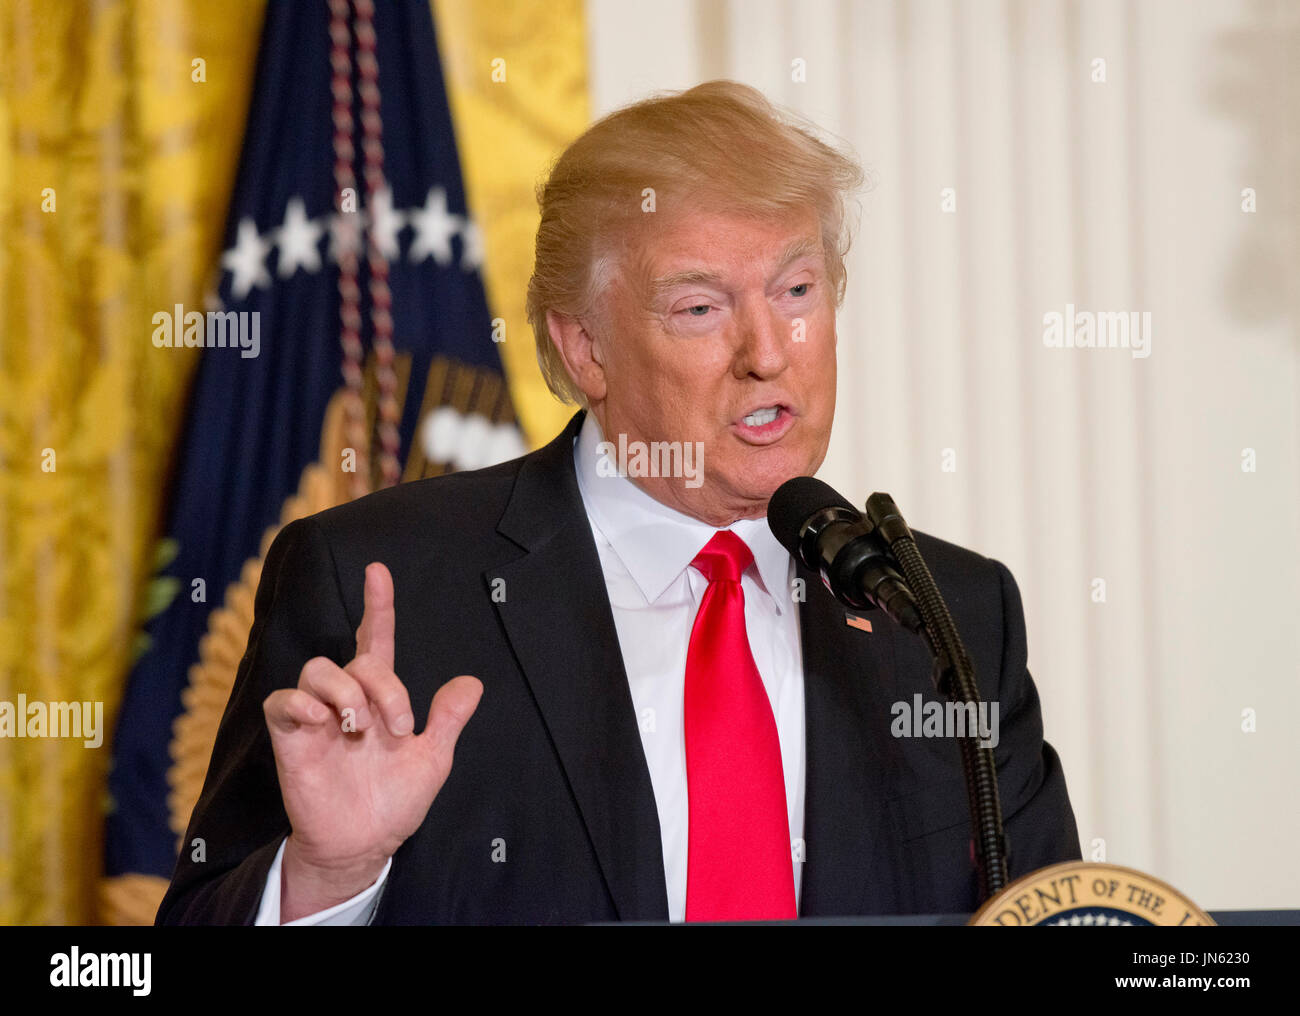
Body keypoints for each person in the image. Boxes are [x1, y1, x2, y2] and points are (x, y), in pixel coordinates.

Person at [156, 80, 1080, 926]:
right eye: (700, 309)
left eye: (796, 291)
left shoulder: (948, 617)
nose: (768, 350)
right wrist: (330, 876)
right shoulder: (378, 585)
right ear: (585, 347)